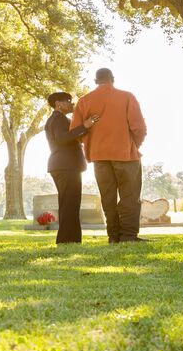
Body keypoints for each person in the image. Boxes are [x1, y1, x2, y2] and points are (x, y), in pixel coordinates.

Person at [73, 68, 148, 243]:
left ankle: (113, 236)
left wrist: (93, 144)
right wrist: (134, 145)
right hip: (126, 154)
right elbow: (139, 128)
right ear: (112, 79)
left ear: (95, 81)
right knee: (129, 196)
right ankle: (128, 235)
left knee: (108, 197)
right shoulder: (127, 97)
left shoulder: (84, 101)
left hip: (99, 156)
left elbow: (76, 132)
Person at [44, 91, 98, 245]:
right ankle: (67, 240)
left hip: (64, 166)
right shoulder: (58, 119)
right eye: (68, 100)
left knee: (69, 203)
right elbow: (62, 138)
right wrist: (84, 126)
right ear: (58, 104)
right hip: (65, 166)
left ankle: (70, 239)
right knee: (70, 204)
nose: (72, 103)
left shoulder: (59, 119)